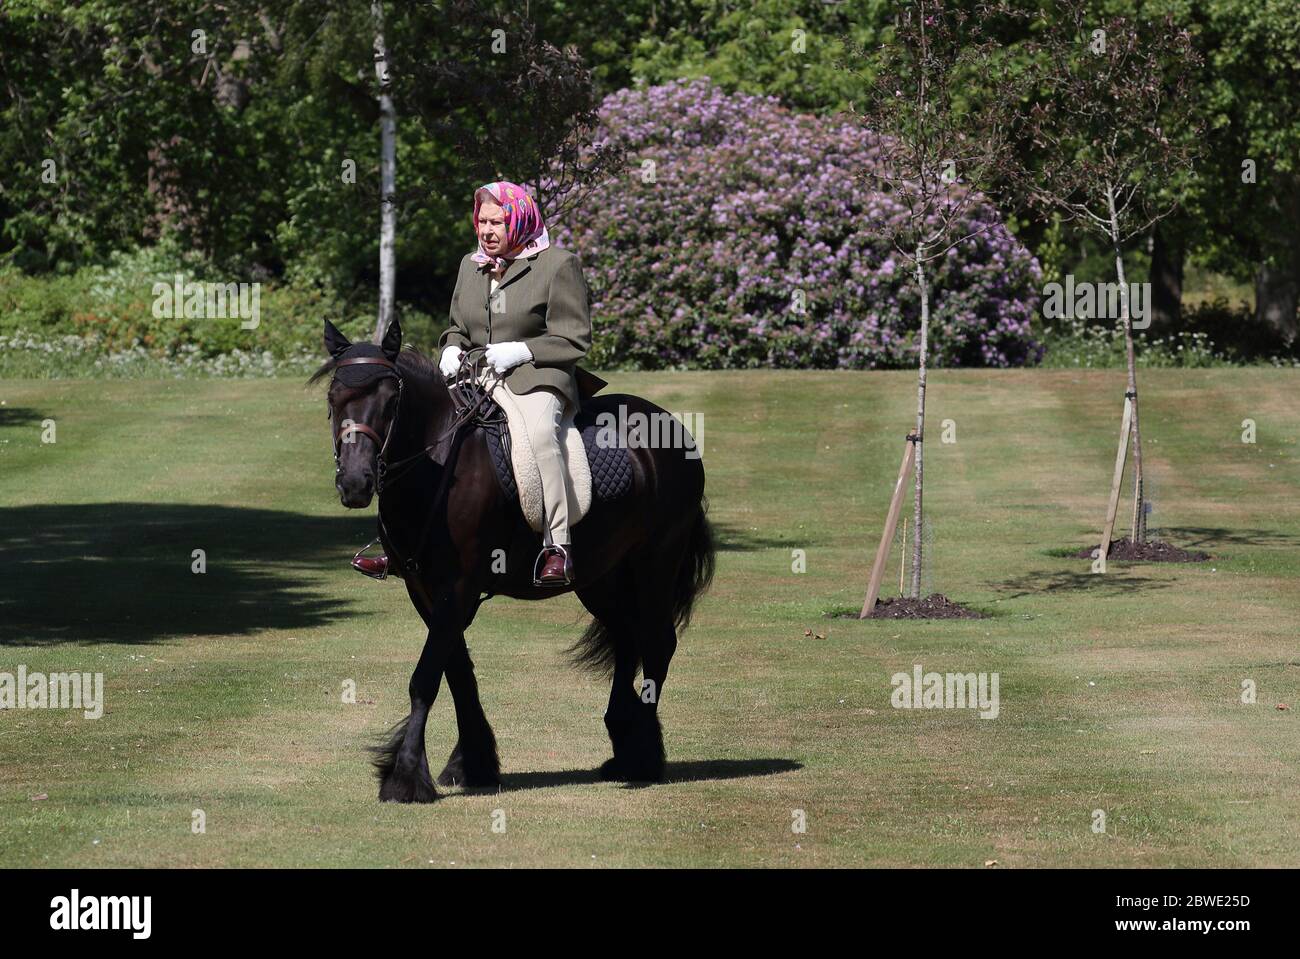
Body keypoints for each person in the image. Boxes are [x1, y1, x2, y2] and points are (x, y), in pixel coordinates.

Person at [352, 181, 593, 585]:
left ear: (518, 218)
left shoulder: (558, 265)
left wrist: (523, 351)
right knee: (415, 430)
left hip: (536, 377)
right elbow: (458, 328)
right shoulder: (472, 264)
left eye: (496, 221)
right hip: (476, 376)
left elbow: (574, 337)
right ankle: (395, 545)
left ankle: (557, 546)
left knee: (538, 436)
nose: (486, 230)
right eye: (481, 221)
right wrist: (450, 347)